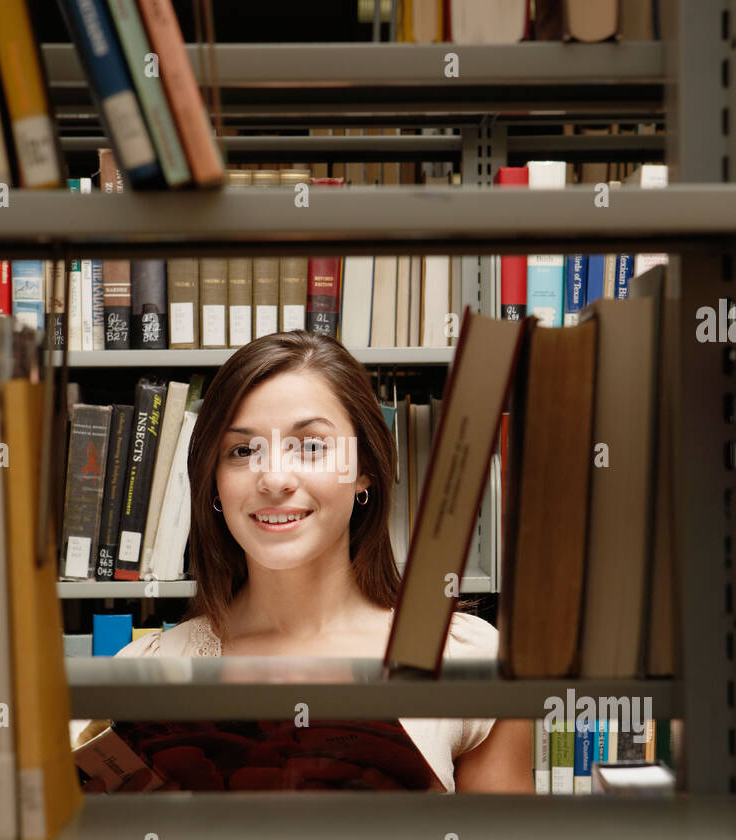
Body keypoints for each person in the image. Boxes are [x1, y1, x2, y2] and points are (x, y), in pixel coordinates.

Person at [80, 330, 533, 793]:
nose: (274, 479)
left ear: (364, 472)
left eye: (311, 446)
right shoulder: (147, 674)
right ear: (213, 482)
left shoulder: (464, 659)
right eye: (242, 451)